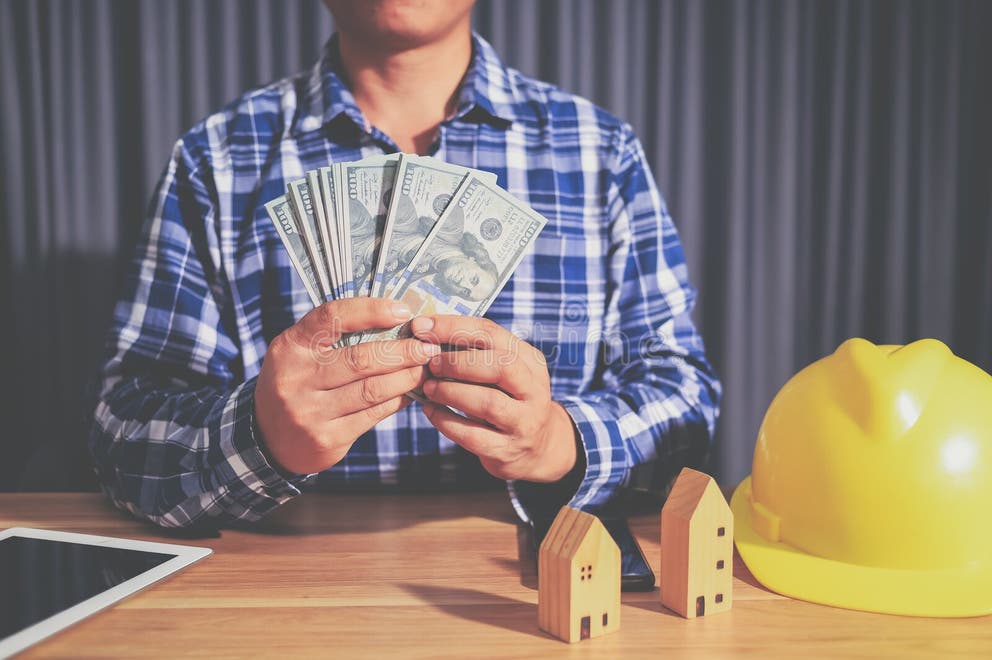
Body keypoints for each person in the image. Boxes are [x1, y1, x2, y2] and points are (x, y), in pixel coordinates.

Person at [90, 0, 721, 528]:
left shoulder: (600, 152)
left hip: (533, 591)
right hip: (284, 596)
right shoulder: (217, 161)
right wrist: (257, 434)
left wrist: (559, 442)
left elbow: (686, 402)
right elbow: (123, 434)